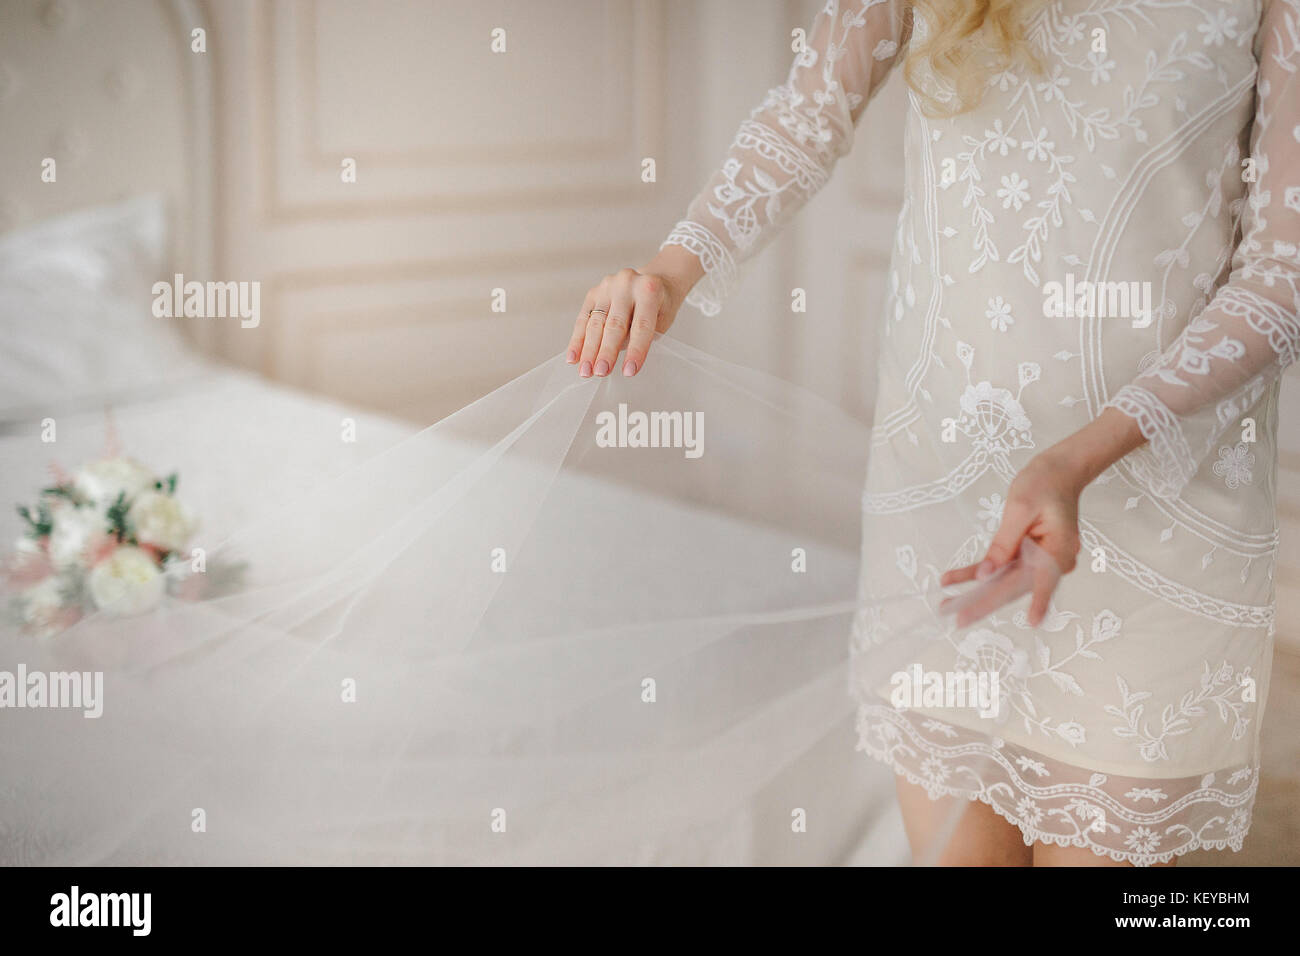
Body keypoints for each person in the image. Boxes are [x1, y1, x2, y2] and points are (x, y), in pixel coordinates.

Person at [563, 0, 1300, 866]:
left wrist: (1078, 456)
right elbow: (806, 115)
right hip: (948, 500)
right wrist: (670, 269)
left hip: (1154, 518)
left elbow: (1281, 269)